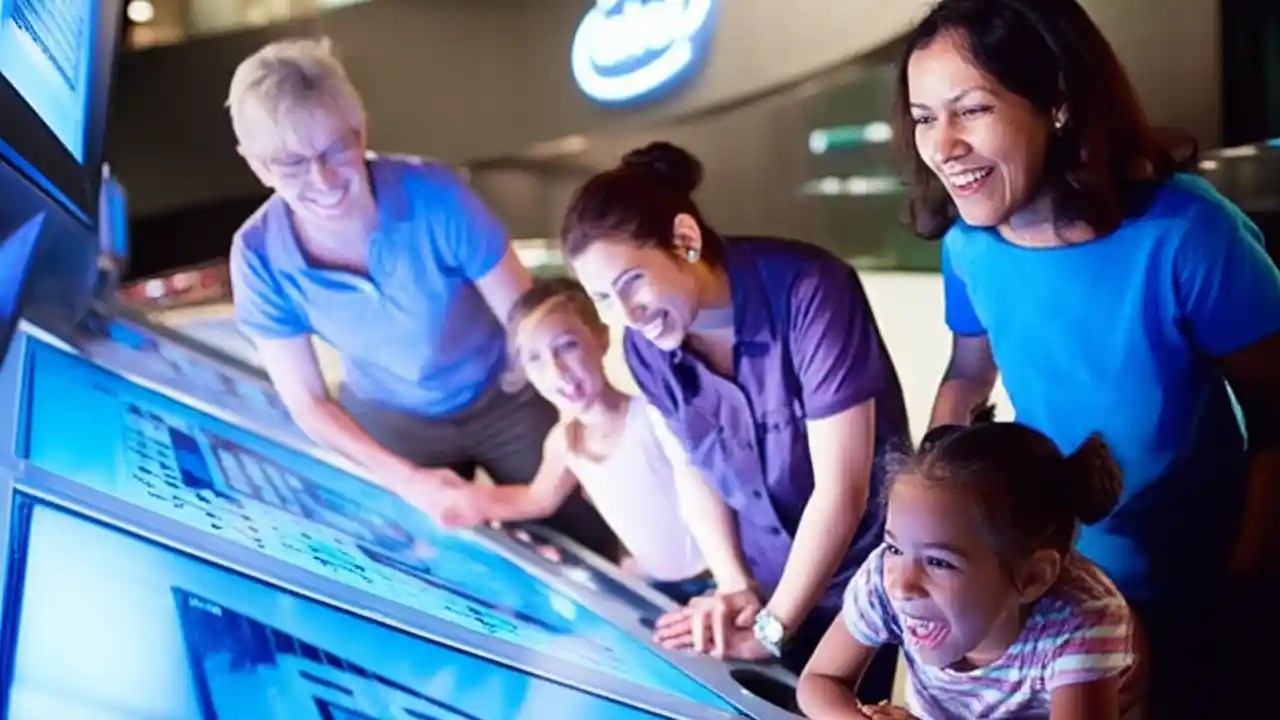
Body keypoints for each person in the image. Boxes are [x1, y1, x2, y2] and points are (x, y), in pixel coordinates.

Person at [897, 0, 1280, 714]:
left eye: (970, 109)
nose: (941, 145)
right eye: (923, 117)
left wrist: (1242, 595)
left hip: (1202, 587)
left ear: (1059, 104)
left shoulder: (1187, 230)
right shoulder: (968, 246)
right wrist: (935, 528)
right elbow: (970, 375)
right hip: (1050, 591)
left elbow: (1277, 415)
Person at [223, 37, 615, 555]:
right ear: (258, 167)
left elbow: (531, 324)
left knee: (585, 529)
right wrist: (409, 480)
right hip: (393, 417)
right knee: (416, 556)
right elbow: (309, 401)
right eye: (291, 165)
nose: (321, 180)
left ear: (360, 133)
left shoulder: (437, 196)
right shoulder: (257, 257)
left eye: (333, 150)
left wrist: (581, 434)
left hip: (507, 392)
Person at [560, 141, 912, 691]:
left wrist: (775, 627)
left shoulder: (810, 291)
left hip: (856, 583)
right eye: (604, 298)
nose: (627, 315)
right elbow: (693, 470)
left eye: (632, 282)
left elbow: (843, 489)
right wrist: (734, 587)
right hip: (762, 576)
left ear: (685, 240)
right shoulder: (645, 347)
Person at [798, 421, 1144, 720]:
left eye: (939, 562)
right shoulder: (883, 579)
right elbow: (819, 681)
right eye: (894, 547)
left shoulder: (1080, 621)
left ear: (1031, 578)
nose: (903, 585)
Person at [438, 278, 712, 601]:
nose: (557, 370)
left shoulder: (653, 418)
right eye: (535, 359)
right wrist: (465, 501)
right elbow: (537, 499)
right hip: (656, 584)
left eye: (567, 346)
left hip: (711, 579)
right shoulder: (565, 443)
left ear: (601, 338)